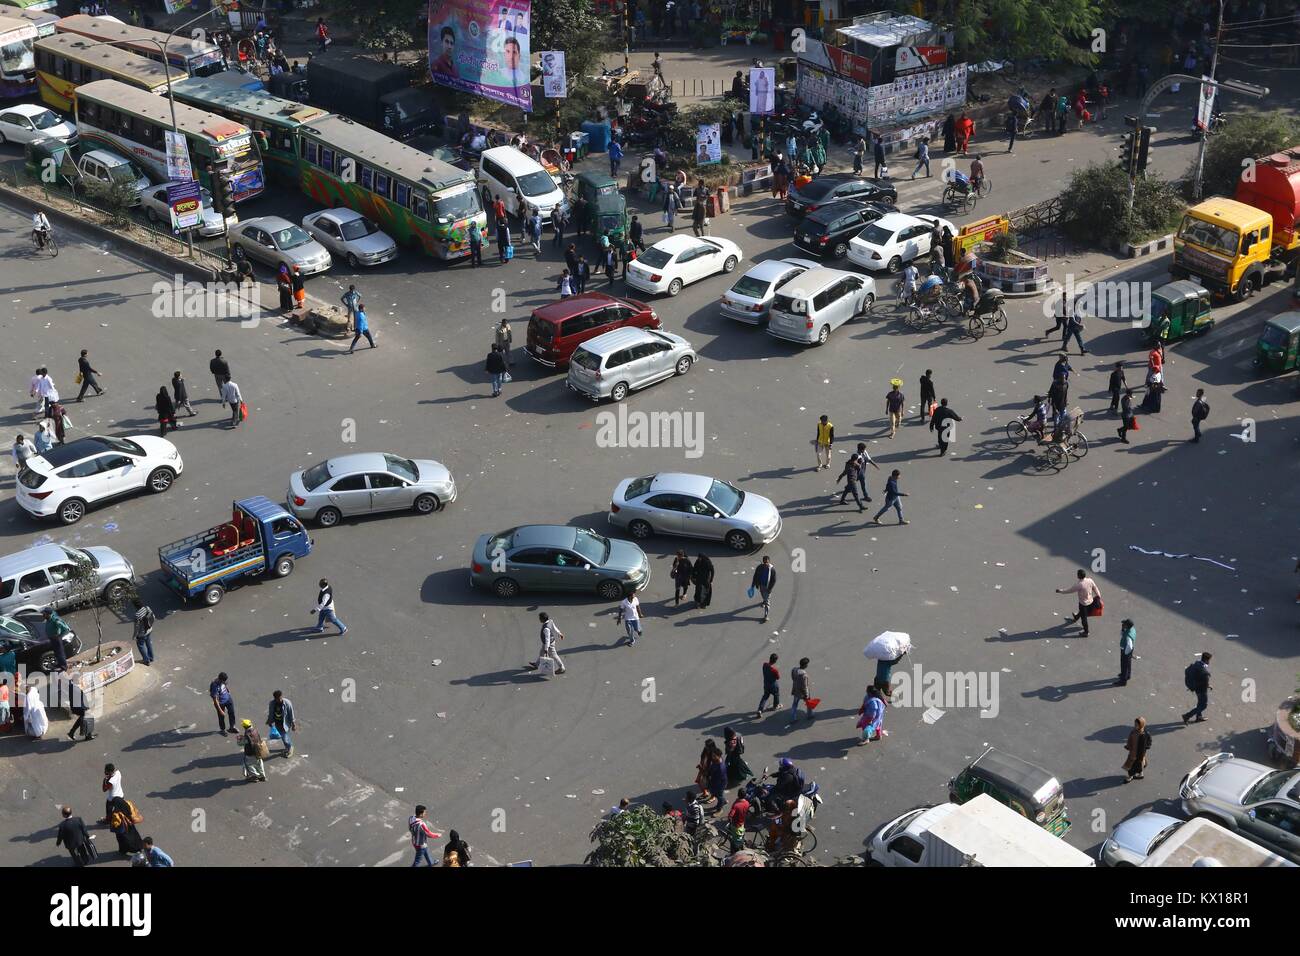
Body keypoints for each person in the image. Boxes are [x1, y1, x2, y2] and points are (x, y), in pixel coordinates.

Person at [1056, 568, 1102, 637]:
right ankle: (1076, 617)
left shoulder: (1079, 584)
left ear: (1079, 576)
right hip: (1091, 601)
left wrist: (1060, 591)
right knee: (1082, 612)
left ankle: (1086, 632)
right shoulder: (1090, 580)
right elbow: (1095, 587)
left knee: (1084, 618)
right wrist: (1098, 596)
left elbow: (1069, 590)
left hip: (1083, 604)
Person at [1182, 652, 1212, 725]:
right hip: (1201, 690)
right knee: (1203, 705)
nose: (1209, 662)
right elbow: (1204, 681)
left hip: (1196, 688)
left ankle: (1199, 716)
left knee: (1200, 703)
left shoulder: (1196, 664)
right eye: (1209, 660)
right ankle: (1187, 716)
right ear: (1206, 660)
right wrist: (1208, 685)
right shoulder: (1204, 671)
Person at [266, 690, 296, 757]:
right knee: (283, 737)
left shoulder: (287, 703)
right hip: (277, 724)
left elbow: (291, 714)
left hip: (284, 724)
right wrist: (269, 721)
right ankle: (287, 747)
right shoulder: (272, 703)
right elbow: (271, 713)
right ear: (275, 698)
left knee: (285, 737)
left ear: (281, 696)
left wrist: (294, 724)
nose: (279, 700)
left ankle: (290, 748)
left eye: (280, 698)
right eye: (277, 699)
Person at [750, 555, 777, 623]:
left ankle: (766, 616)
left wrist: (770, 589)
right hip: (761, 586)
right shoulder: (759, 567)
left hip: (767, 587)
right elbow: (755, 576)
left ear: (769, 562)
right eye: (764, 562)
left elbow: (774, 580)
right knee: (762, 595)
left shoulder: (772, 570)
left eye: (767, 562)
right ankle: (764, 601)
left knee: (767, 601)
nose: (765, 564)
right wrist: (753, 585)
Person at [788, 657, 814, 723]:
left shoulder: (794, 670)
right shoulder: (804, 675)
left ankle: (793, 718)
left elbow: (792, 678)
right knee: (809, 703)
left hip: (796, 690)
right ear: (805, 665)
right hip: (802, 693)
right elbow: (805, 686)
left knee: (795, 704)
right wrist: (806, 695)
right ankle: (809, 715)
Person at [132, 600, 155, 665]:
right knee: (148, 644)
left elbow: (136, 627)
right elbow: (153, 616)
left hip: (142, 633)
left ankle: (146, 660)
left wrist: (134, 636)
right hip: (149, 630)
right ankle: (151, 657)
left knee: (141, 645)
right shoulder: (147, 608)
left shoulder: (137, 614)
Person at [1117, 619, 1136, 686]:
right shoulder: (1132, 629)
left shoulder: (1128, 635)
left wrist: (1125, 653)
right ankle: (1128, 675)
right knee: (1128, 663)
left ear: (1127, 626)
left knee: (1124, 665)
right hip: (1129, 650)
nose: (1123, 625)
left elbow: (1129, 646)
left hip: (1126, 650)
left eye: (1124, 624)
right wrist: (1123, 629)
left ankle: (1123, 681)